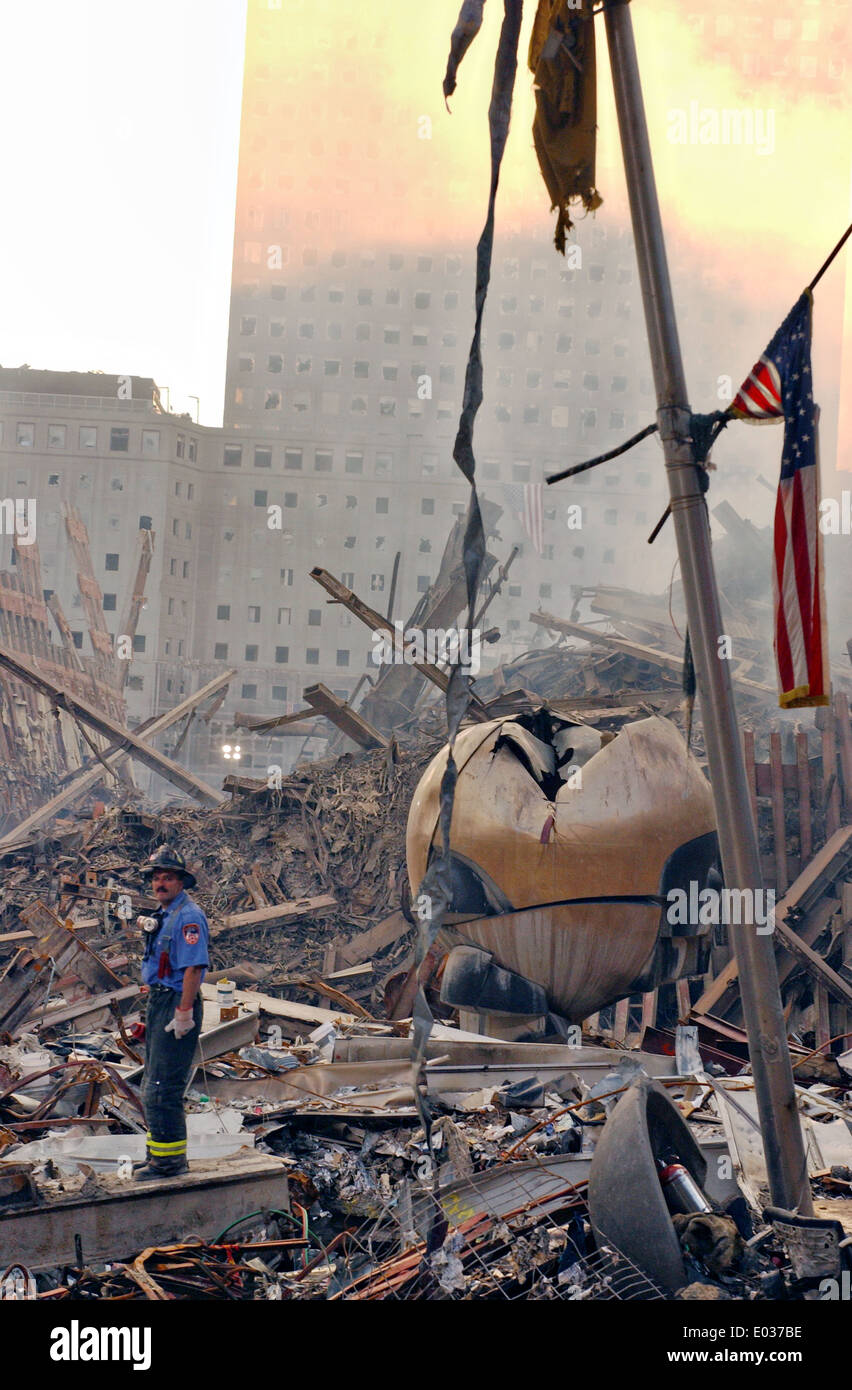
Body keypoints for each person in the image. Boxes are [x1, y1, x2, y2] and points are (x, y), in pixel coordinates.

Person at [133, 845, 209, 1181]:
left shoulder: (188, 918)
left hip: (178, 1000)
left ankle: (169, 1163)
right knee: (152, 1084)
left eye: (168, 878)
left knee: (163, 1088)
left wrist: (183, 1012)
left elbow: (193, 968)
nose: (160, 883)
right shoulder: (164, 916)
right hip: (160, 1001)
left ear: (181, 883)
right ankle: (157, 1156)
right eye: (156, 878)